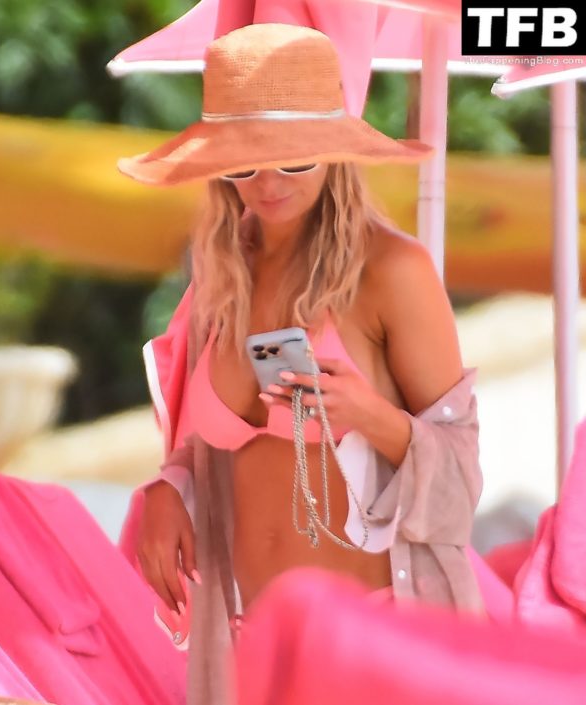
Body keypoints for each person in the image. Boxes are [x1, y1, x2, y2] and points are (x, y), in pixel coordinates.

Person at [117, 22, 484, 705]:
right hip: (252, 650)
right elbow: (212, 449)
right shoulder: (221, 279)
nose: (267, 183)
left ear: (333, 152)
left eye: (293, 160)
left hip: (376, 648)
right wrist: (168, 488)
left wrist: (369, 415)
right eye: (243, 164)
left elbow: (461, 483)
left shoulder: (392, 271)